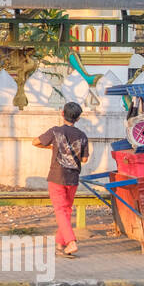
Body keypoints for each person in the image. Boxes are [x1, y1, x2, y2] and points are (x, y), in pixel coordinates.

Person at [33, 101, 90, 258]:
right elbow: (84, 159)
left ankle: (71, 242)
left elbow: (35, 142)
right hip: (73, 178)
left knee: (60, 210)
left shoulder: (55, 131)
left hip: (57, 176)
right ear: (78, 118)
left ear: (62, 114)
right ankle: (60, 242)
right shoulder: (82, 136)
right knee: (66, 211)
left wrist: (51, 147)